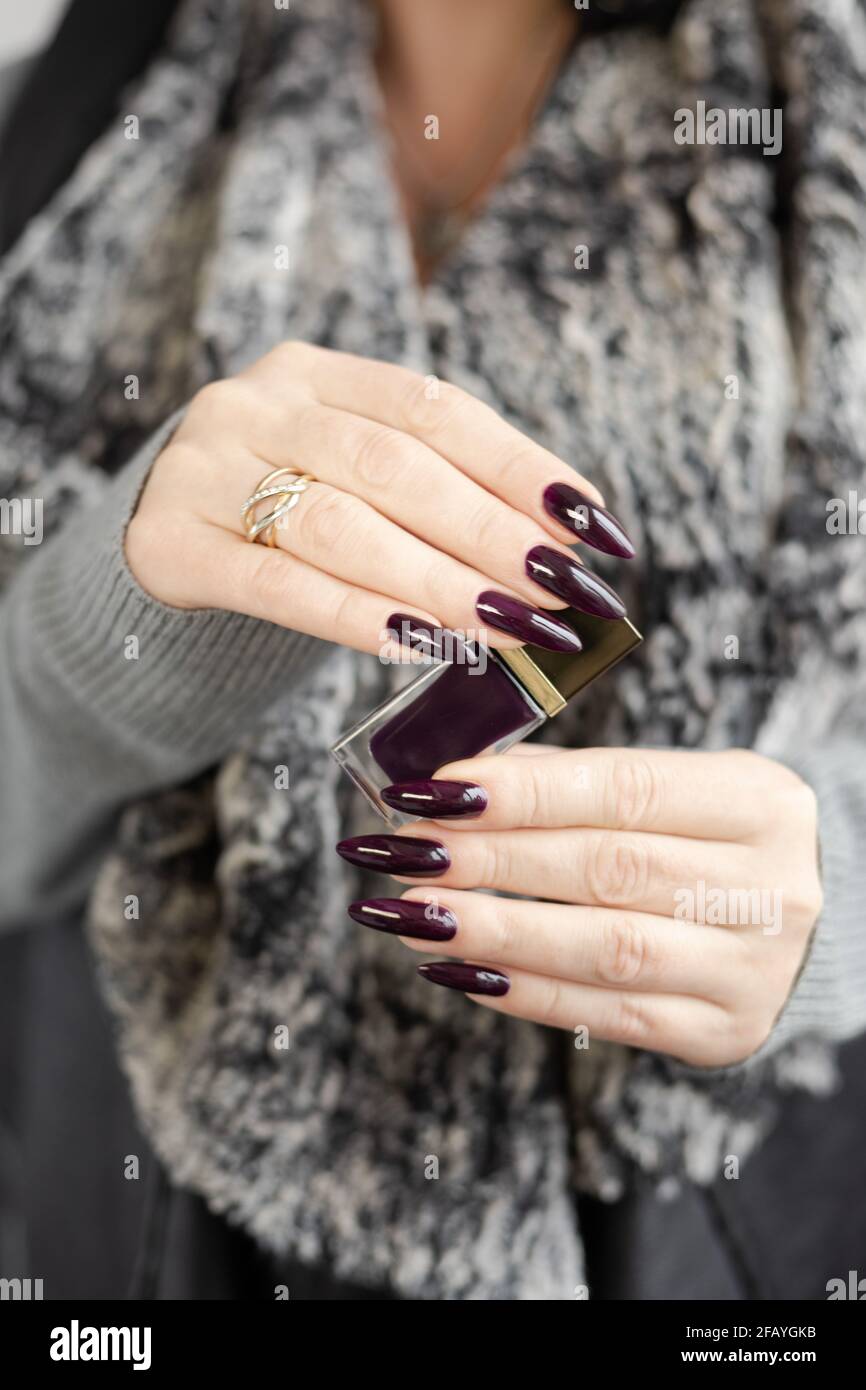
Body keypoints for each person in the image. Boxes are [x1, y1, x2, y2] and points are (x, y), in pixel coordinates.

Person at [0, 0, 864, 1301]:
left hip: (701, 1240)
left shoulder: (828, 130)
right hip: (135, 1232)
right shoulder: (50, 133)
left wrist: (831, 911)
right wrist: (106, 633)